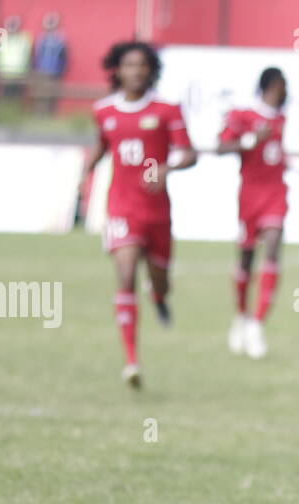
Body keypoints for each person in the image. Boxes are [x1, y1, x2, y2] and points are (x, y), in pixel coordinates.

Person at [85, 41, 197, 389]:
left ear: (151, 70)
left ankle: (160, 296)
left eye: (142, 65)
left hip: (157, 212)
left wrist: (166, 168)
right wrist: (84, 174)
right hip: (121, 207)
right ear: (117, 69)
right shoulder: (103, 111)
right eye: (129, 65)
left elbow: (189, 154)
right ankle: (131, 361)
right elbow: (102, 145)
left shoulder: (167, 110)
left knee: (160, 279)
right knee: (125, 271)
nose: (135, 71)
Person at [216, 67, 291, 359]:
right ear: (271, 86)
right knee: (246, 259)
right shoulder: (243, 116)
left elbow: (274, 154)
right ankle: (240, 317)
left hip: (275, 193)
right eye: (283, 86)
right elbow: (221, 146)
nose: (287, 92)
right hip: (249, 195)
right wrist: (250, 141)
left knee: (273, 246)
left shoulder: (282, 119)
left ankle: (257, 325)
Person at [32, 12, 68, 115]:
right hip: (41, 70)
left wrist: (61, 69)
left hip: (54, 71)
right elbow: (36, 55)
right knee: (41, 93)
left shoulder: (60, 40)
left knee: (52, 94)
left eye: (52, 23)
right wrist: (36, 68)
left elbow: (64, 57)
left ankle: (50, 113)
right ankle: (40, 113)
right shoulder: (41, 39)